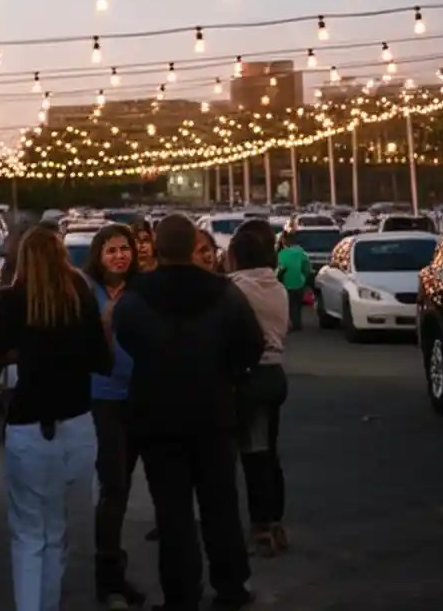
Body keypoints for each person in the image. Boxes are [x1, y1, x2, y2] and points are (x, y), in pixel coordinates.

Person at [113, 214, 265, 611]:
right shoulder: (225, 293)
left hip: (157, 415)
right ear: (192, 245)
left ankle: (181, 595)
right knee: (221, 506)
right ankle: (231, 587)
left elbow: (125, 335)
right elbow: (252, 345)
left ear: (158, 248)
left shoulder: (137, 295)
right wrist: (225, 369)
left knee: (172, 513)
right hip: (214, 412)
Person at [0, 225, 112, 611]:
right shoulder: (80, 297)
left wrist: (26, 354)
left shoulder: (12, 299)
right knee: (58, 530)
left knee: (28, 534)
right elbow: (102, 362)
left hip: (29, 424)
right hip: (77, 422)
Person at [83, 224, 147, 609]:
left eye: (125, 249)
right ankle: (108, 578)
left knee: (140, 484)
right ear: (99, 255)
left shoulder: (142, 290)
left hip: (142, 394)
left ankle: (122, 575)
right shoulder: (86, 292)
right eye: (111, 250)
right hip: (102, 397)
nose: (120, 255)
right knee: (114, 488)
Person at [227, 220, 291, 558]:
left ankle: (262, 526)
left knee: (253, 454)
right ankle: (274, 521)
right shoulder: (277, 287)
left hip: (249, 376)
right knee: (269, 451)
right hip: (275, 375)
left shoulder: (234, 288)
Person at [276, 233, 311, 332]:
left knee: (289, 305)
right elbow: (307, 267)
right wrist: (304, 276)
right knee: (297, 305)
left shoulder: (281, 254)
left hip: (286, 283)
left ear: (284, 241)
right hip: (299, 282)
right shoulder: (301, 252)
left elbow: (278, 270)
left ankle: (290, 323)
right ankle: (297, 323)